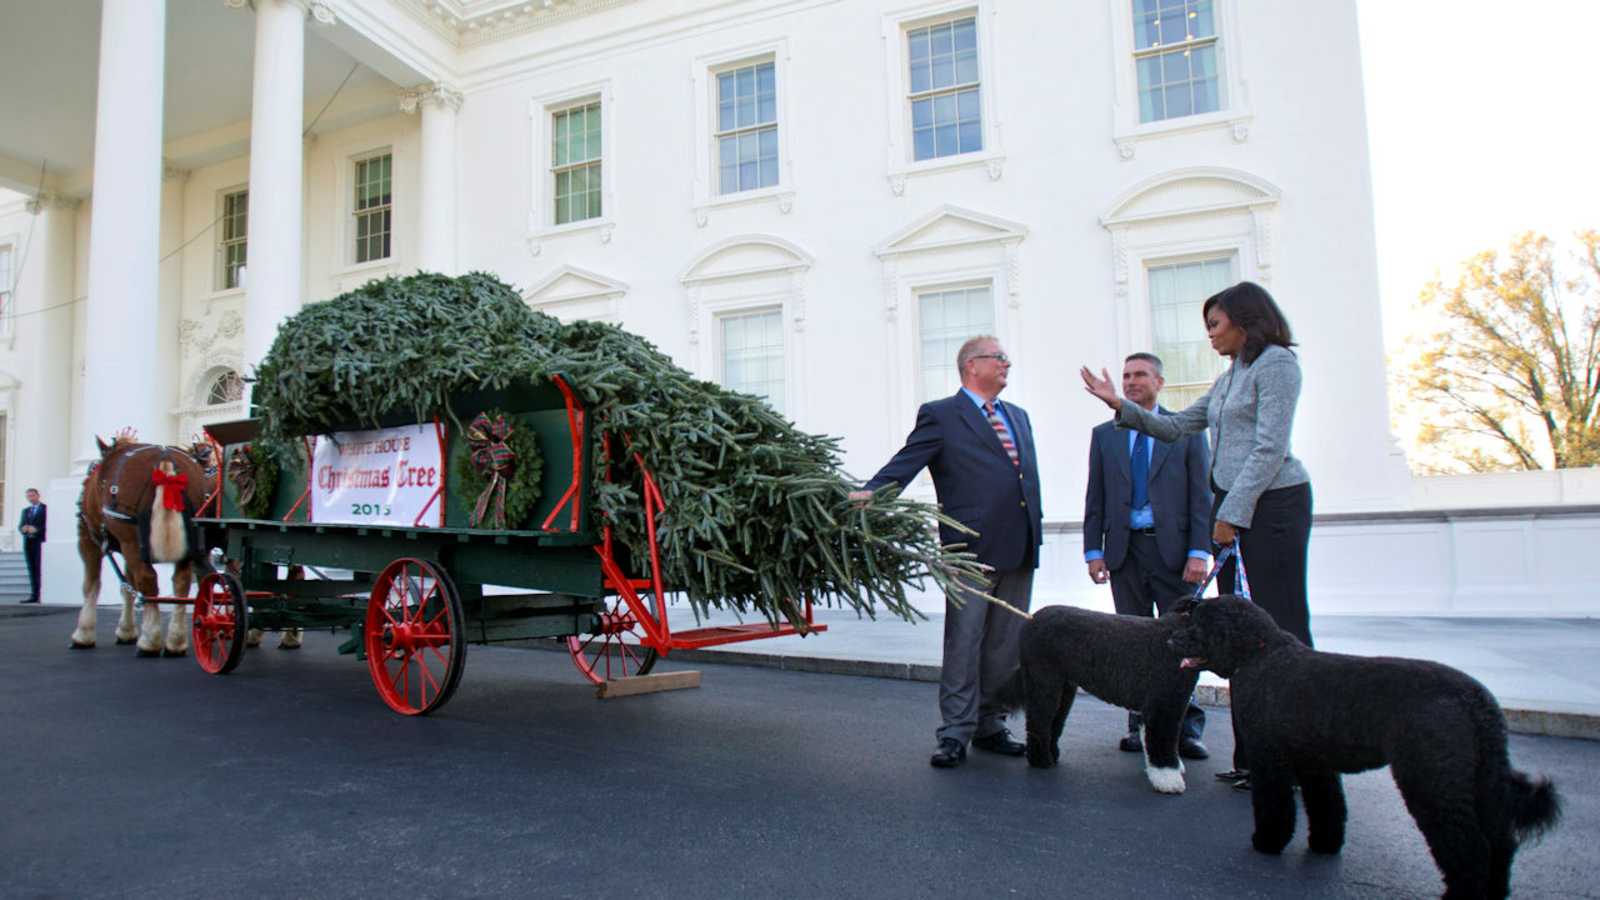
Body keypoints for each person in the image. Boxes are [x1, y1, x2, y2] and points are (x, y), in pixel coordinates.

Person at [1079, 281, 1312, 790]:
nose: (1209, 336)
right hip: (1242, 511)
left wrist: (1229, 514)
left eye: (1215, 325)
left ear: (1246, 320)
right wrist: (1119, 406)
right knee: (1245, 636)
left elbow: (1271, 449)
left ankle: (1296, 759)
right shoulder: (1232, 376)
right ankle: (1255, 757)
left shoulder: (1277, 365)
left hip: (1272, 509)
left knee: (1281, 633)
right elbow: (1178, 425)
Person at [850, 335, 1042, 768]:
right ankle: (954, 733)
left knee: (1004, 647)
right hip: (969, 547)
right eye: (1000, 358)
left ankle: (989, 724)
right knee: (964, 643)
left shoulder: (1018, 417)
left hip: (1020, 542)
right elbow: (907, 461)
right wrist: (868, 494)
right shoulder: (941, 415)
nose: (1008, 364)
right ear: (973, 365)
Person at [1083, 352, 1210, 760]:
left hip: (1174, 553)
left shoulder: (1186, 431)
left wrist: (1198, 551)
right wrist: (1093, 550)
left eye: (1140, 375)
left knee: (1181, 642)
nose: (1131, 381)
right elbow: (1096, 496)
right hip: (1125, 552)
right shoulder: (1105, 435)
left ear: (1160, 382)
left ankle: (1184, 728)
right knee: (1133, 644)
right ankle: (1139, 725)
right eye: (1126, 375)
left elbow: (1200, 497)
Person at [18, 488, 46, 603]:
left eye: (32, 496)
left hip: (39, 542)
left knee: (39, 569)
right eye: (28, 496)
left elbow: (48, 526)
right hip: (28, 543)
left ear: (38, 495)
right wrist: (23, 529)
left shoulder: (45, 509)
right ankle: (33, 594)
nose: (31, 498)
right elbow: (21, 525)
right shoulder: (26, 511)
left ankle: (41, 594)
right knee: (32, 569)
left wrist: (36, 530)